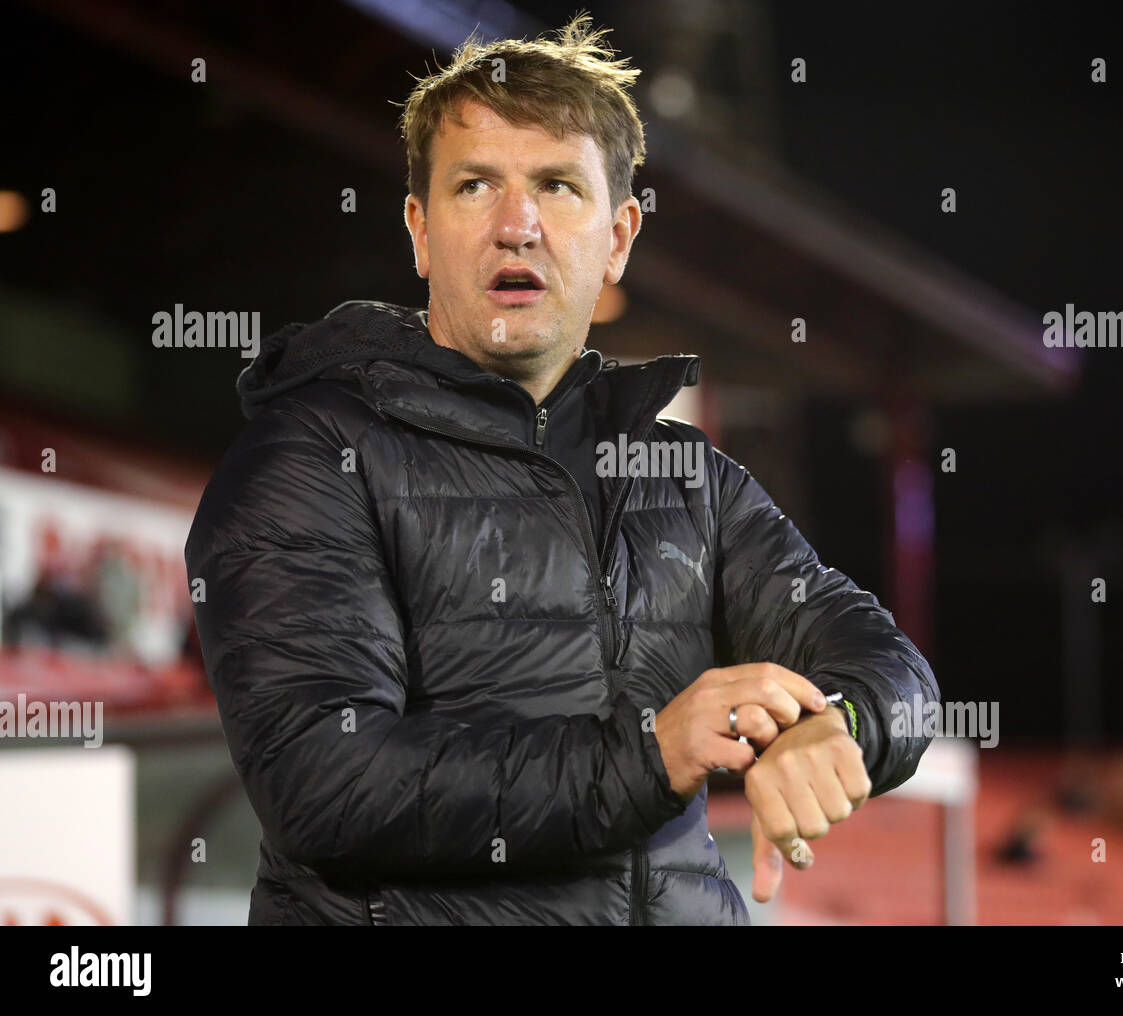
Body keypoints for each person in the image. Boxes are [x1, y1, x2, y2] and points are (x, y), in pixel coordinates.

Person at [184, 14, 939, 926]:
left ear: (618, 236)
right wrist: (651, 756)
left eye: (556, 185)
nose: (518, 224)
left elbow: (881, 657)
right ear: (421, 230)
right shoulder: (309, 457)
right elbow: (324, 781)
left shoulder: (688, 482)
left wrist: (842, 724)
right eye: (475, 186)